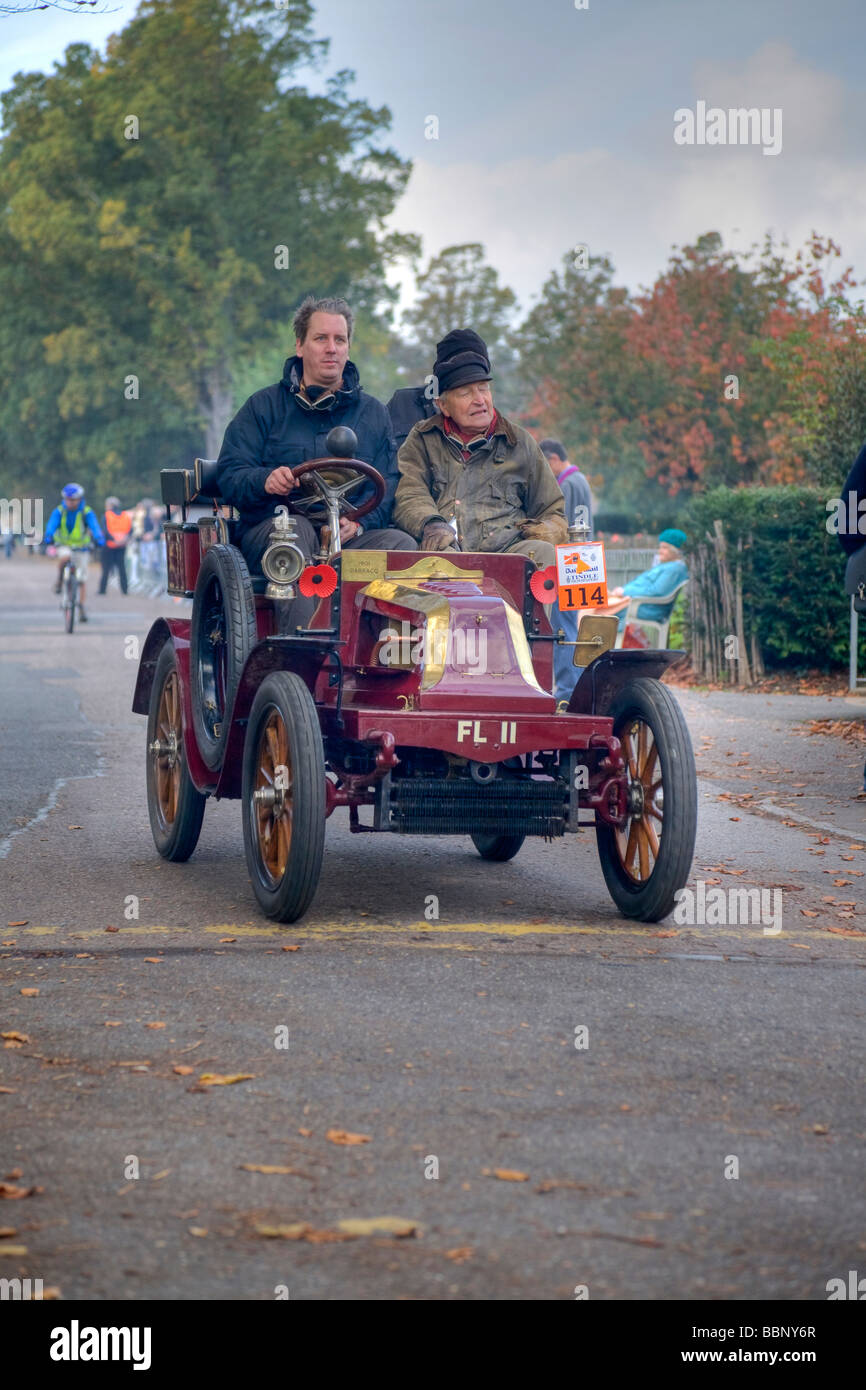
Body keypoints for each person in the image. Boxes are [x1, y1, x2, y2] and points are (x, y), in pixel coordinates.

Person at [216, 294, 415, 626]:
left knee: (402, 545)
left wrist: (362, 523)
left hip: (349, 537)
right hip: (274, 532)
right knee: (296, 532)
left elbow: (389, 481)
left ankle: (387, 653)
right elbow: (230, 474)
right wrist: (265, 480)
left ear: (348, 348)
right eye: (321, 338)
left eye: (340, 340)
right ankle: (301, 655)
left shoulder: (374, 414)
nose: (331, 348)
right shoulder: (263, 407)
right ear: (300, 346)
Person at [393, 330, 567, 569]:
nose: (479, 400)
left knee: (542, 552)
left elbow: (552, 509)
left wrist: (548, 530)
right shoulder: (422, 439)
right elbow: (410, 494)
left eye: (483, 388)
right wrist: (432, 524)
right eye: (465, 392)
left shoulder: (520, 442)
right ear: (443, 405)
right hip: (444, 557)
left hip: (506, 556)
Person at [539, 438, 594, 707]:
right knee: (568, 625)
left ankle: (567, 692)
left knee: (563, 627)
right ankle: (571, 688)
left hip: (569, 562)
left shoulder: (569, 484)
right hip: (578, 562)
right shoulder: (580, 480)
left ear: (553, 460)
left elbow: (563, 527)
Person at [44, 483, 105, 622]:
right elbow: (52, 524)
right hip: (64, 545)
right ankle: (60, 580)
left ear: (79, 499)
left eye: (73, 500)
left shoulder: (86, 512)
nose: (70, 502)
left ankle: (81, 606)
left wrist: (99, 537)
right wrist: (48, 535)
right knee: (64, 558)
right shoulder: (60, 511)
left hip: (81, 547)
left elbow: (94, 526)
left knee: (81, 579)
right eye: (67, 499)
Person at [608, 529, 689, 626]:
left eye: (665, 548)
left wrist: (625, 592)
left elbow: (656, 591)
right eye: (660, 547)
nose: (660, 551)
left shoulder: (674, 569)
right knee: (596, 604)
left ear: (676, 551)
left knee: (596, 610)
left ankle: (598, 638)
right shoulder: (666, 565)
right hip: (636, 603)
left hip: (644, 607)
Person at [98, 496, 131, 595]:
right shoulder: (126, 515)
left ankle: (102, 590)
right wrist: (123, 539)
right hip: (122, 545)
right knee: (122, 569)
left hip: (109, 546)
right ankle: (125, 590)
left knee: (106, 569)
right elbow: (130, 529)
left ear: (110, 505)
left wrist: (114, 539)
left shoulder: (107, 515)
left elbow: (105, 530)